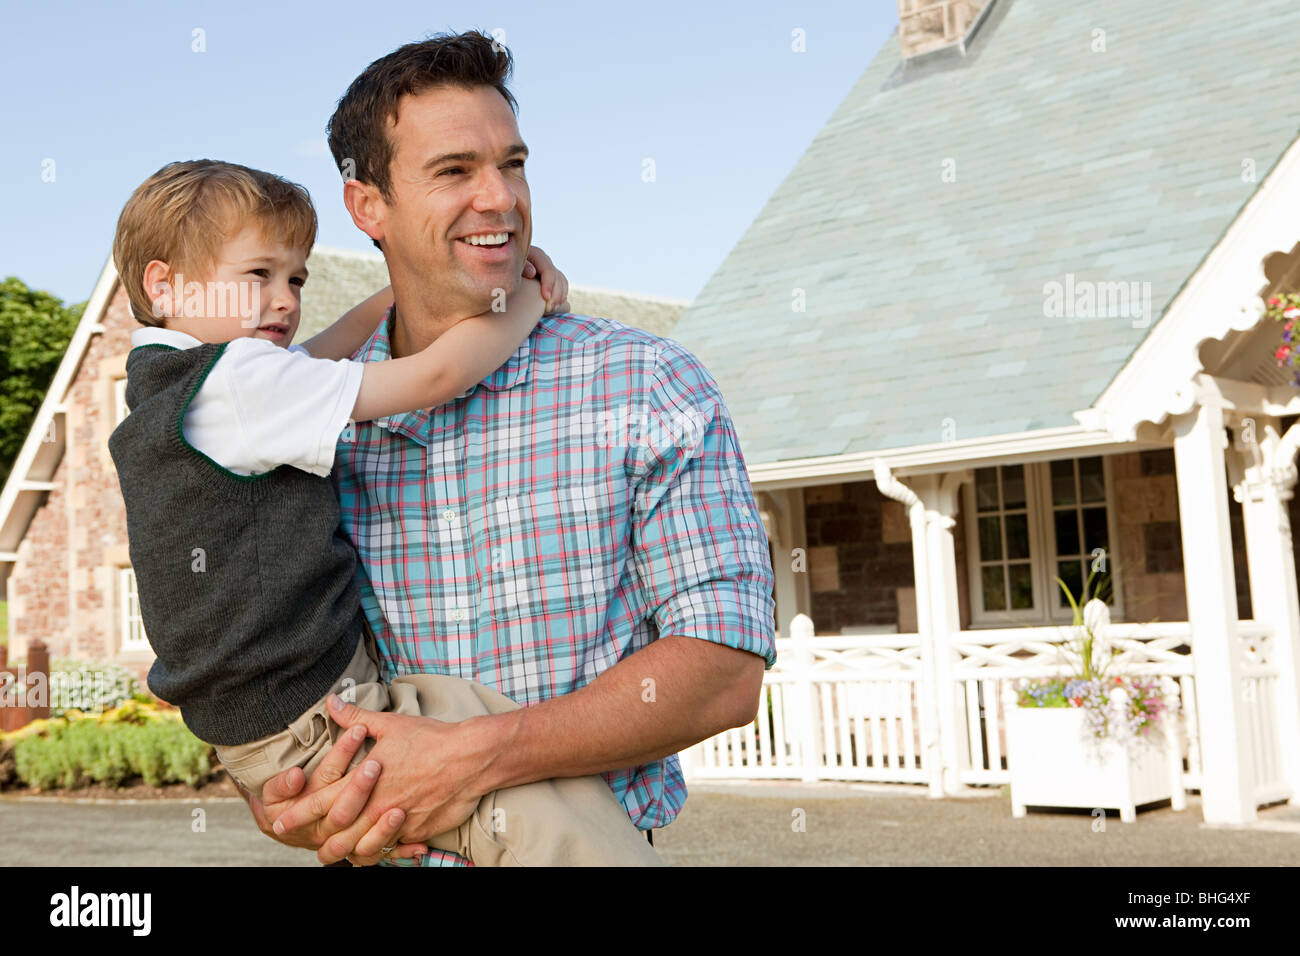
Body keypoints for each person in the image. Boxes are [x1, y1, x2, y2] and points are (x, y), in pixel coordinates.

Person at [250, 30, 780, 868]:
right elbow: (258, 641)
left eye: (514, 164)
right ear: (368, 207)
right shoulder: (308, 421)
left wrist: (474, 756)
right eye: (455, 171)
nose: (499, 197)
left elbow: (724, 669)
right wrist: (291, 792)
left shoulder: (647, 384)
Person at [108, 158, 664, 866]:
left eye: (296, 279)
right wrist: (520, 300)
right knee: (537, 826)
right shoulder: (240, 384)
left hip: (279, 717)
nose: (284, 299)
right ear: (165, 284)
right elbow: (438, 375)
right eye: (259, 275)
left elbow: (321, 352)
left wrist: (402, 297)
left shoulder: (184, 386)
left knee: (503, 740)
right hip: (315, 717)